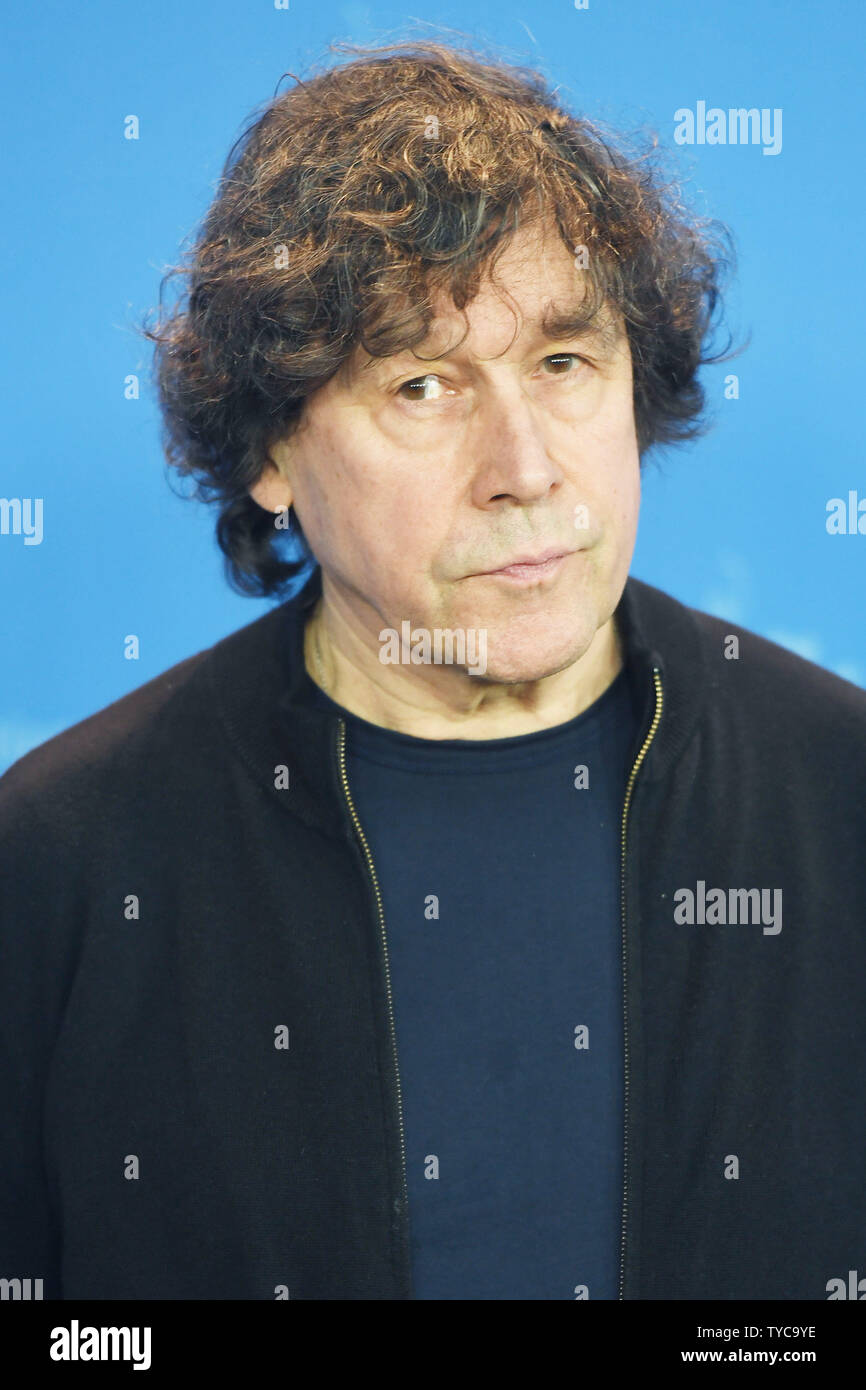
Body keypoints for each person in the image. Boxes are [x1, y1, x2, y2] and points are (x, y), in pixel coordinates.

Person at [1, 39, 864, 1302]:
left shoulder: (840, 794)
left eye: (563, 363)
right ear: (272, 454)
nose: (523, 464)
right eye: (420, 384)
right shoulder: (64, 858)